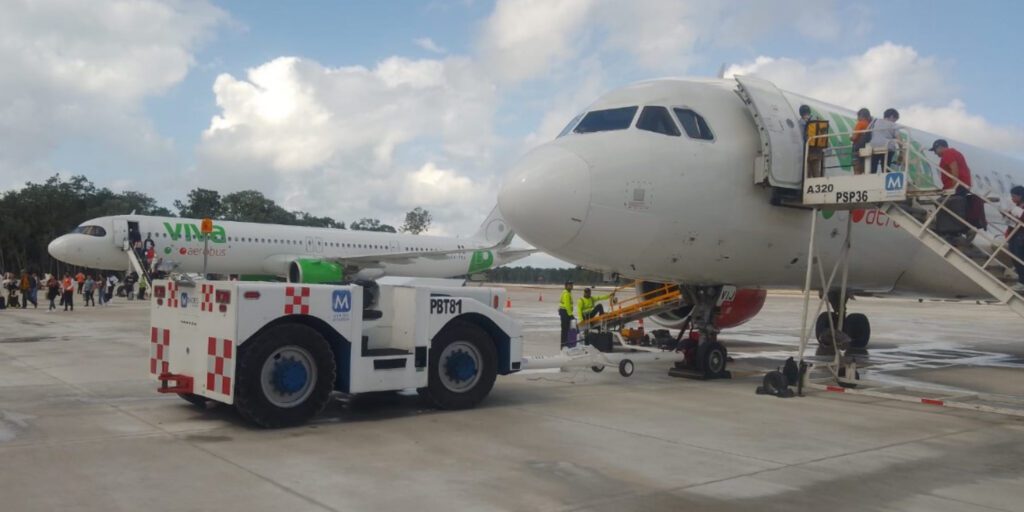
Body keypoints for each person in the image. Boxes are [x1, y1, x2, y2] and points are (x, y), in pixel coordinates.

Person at [869, 108, 900, 173]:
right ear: (892, 116)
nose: (895, 122)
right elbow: (898, 138)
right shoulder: (894, 125)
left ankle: (872, 175)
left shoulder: (875, 121)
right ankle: (886, 174)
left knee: (873, 166)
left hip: (874, 146)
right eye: (895, 119)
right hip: (886, 146)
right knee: (886, 166)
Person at [798, 105, 824, 178]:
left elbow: (802, 136)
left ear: (800, 113)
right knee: (816, 171)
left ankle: (808, 186)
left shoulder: (801, 122)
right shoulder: (816, 119)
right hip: (817, 150)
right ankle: (817, 185)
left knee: (808, 172)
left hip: (808, 150)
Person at [850, 108, 872, 175]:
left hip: (858, 148)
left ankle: (857, 183)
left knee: (857, 168)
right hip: (866, 148)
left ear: (860, 116)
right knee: (864, 168)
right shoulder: (870, 124)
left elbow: (854, 137)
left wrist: (850, 138)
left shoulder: (860, 124)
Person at [558, 281, 575, 348]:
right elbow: (567, 305)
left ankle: (565, 345)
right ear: (566, 286)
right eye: (569, 285)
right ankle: (563, 345)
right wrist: (571, 315)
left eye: (571, 285)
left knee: (566, 329)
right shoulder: (566, 294)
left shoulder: (568, 292)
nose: (571, 286)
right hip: (565, 312)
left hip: (565, 312)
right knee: (565, 330)